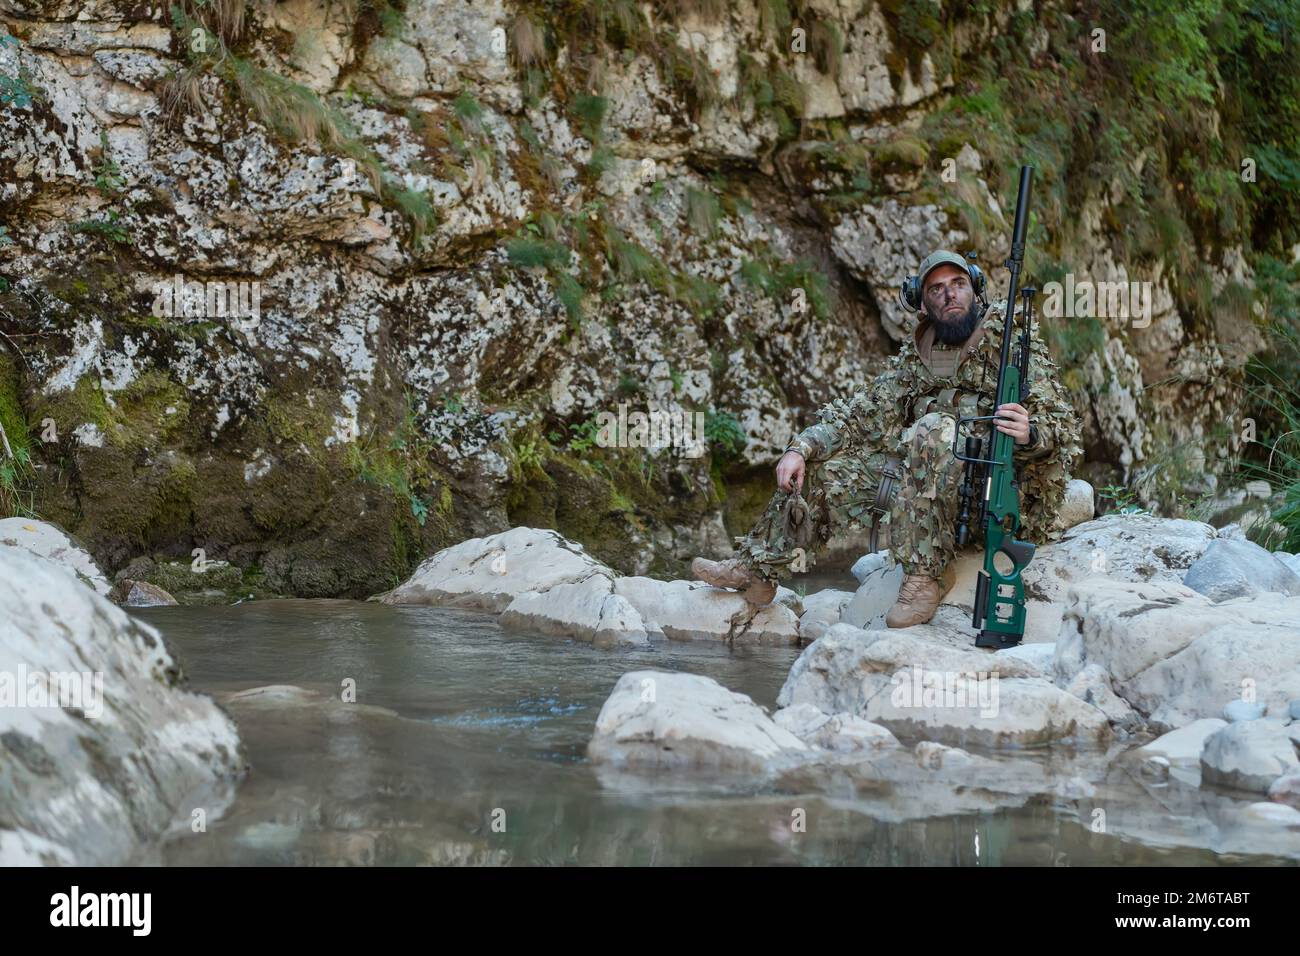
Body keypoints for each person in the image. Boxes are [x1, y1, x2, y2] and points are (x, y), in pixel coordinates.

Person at [692, 250, 1083, 628]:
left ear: (975, 289)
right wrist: (801, 447)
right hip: (927, 495)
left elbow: (1064, 436)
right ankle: (758, 571)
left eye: (958, 283)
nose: (949, 294)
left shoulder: (1013, 348)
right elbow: (858, 416)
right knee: (822, 471)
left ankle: (924, 578)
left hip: (994, 497)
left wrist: (1030, 434)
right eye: (936, 289)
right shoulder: (916, 360)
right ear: (921, 303)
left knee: (933, 429)